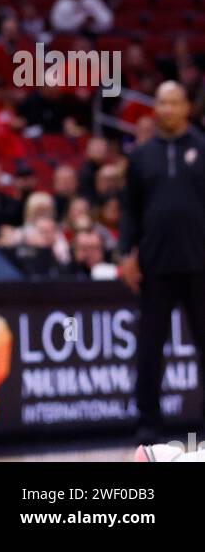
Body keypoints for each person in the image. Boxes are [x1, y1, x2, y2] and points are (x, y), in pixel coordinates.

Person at [119, 81, 205, 447]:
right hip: (155, 265)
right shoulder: (141, 156)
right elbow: (129, 210)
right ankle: (148, 423)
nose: (167, 109)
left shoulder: (203, 148)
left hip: (200, 263)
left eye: (173, 103)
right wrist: (126, 253)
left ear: (186, 107)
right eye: (161, 103)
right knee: (151, 347)